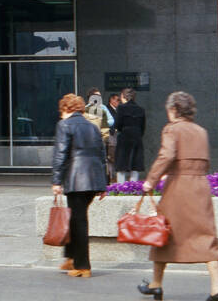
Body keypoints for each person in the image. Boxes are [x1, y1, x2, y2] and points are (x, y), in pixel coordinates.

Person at [137, 91, 218, 301]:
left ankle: (156, 283)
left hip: (178, 187)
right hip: (200, 186)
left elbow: (166, 156)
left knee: (163, 232)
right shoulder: (201, 131)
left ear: (174, 110)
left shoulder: (172, 129)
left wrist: (150, 180)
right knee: (206, 234)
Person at [50, 93, 107, 278]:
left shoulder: (64, 125)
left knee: (79, 221)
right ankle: (71, 257)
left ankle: (83, 266)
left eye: (61, 110)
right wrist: (103, 183)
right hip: (93, 179)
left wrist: (56, 181)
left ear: (66, 109)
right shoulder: (93, 127)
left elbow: (60, 154)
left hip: (76, 179)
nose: (60, 115)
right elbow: (101, 155)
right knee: (75, 218)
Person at [113, 88, 146, 183]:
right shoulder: (141, 109)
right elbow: (143, 127)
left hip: (124, 137)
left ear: (123, 97)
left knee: (121, 163)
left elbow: (117, 125)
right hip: (137, 137)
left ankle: (121, 187)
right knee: (135, 164)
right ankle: (134, 187)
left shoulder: (121, 108)